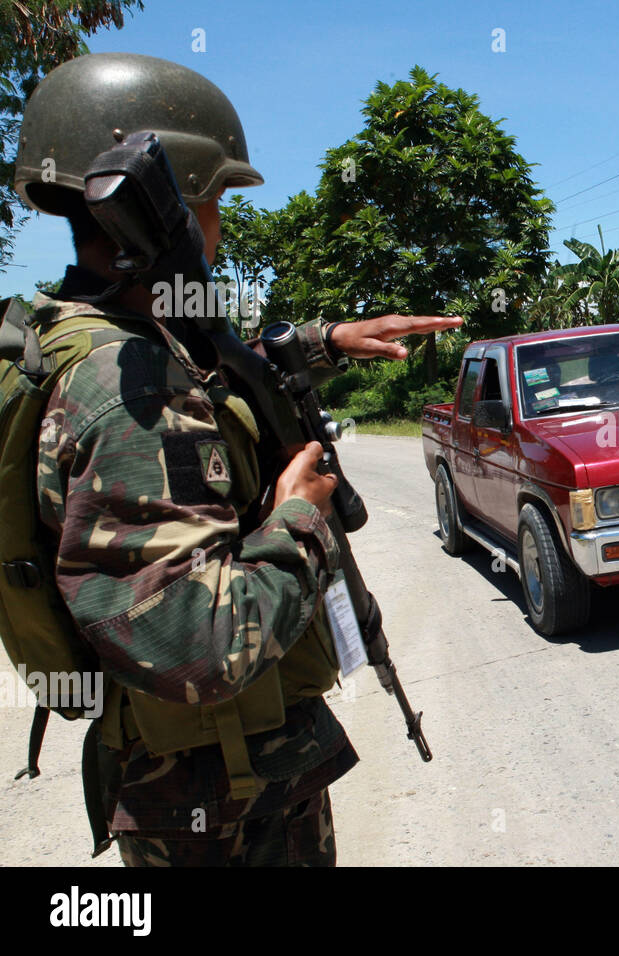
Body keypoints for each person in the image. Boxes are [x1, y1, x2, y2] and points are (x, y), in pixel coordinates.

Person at [7, 52, 459, 865]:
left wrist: (322, 342)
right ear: (161, 203)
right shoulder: (126, 384)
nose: (219, 221)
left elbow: (217, 371)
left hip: (212, 779)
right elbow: (197, 644)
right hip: (219, 805)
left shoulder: (82, 333)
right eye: (212, 198)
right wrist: (300, 518)